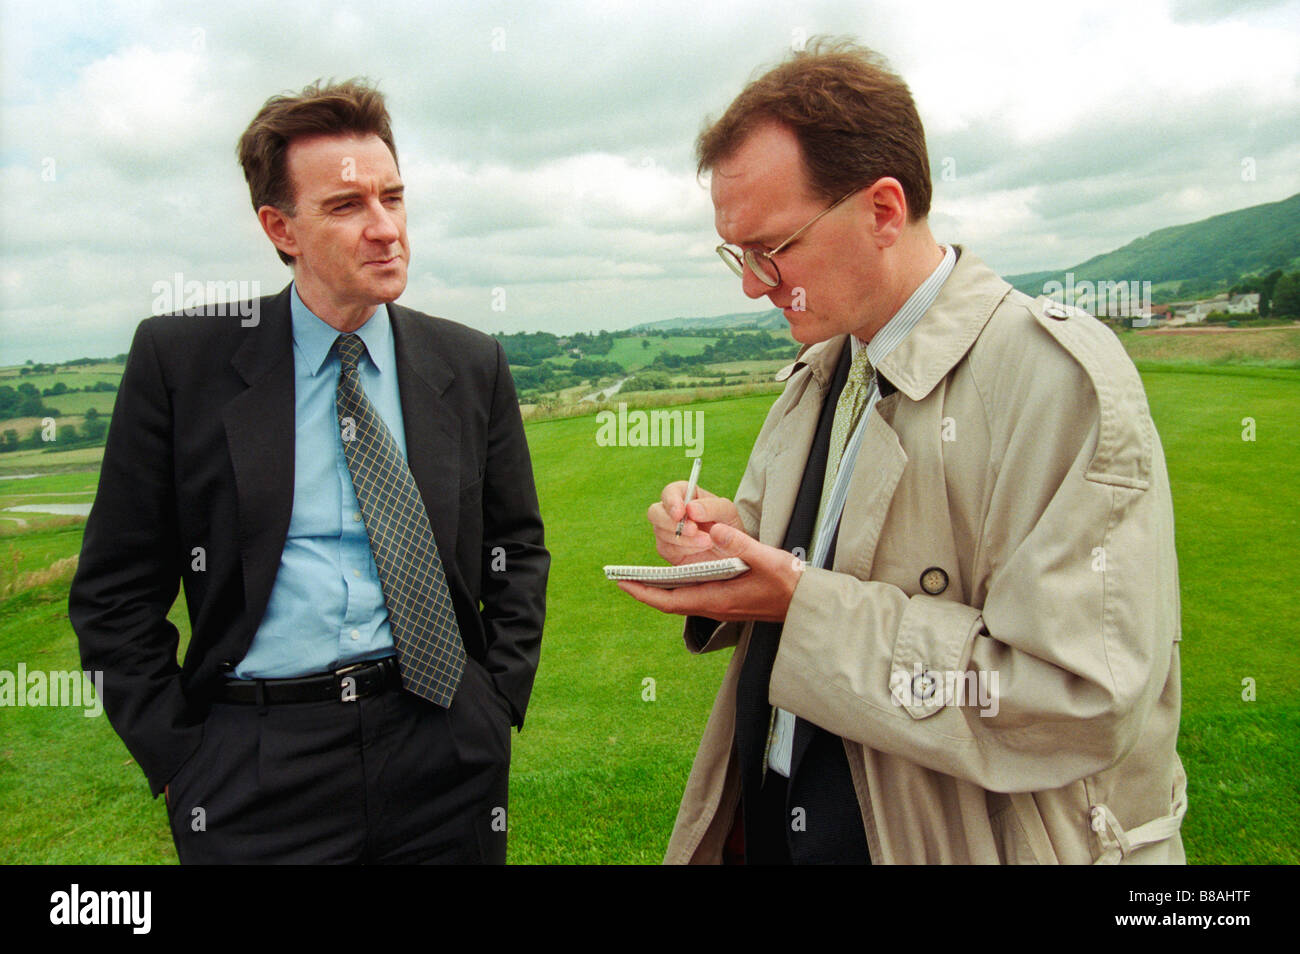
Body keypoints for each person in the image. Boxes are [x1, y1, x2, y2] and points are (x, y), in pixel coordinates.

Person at [618, 39, 1186, 864]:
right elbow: (821, 551)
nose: (750, 284)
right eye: (735, 254)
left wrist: (799, 603)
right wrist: (724, 538)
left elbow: (1077, 698)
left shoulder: (1058, 381)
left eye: (771, 250)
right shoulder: (822, 367)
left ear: (883, 209)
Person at [69, 79, 549, 864]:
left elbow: (517, 549)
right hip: (253, 768)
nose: (386, 229)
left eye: (394, 198)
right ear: (279, 227)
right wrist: (183, 758)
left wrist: (493, 702)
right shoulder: (180, 361)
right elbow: (114, 591)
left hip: (443, 750)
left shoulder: (470, 363)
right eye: (347, 207)